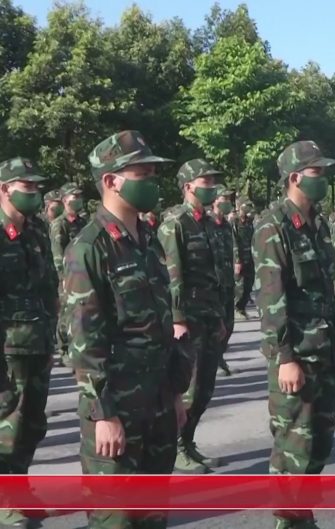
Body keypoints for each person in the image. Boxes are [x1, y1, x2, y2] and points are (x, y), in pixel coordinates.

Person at [63, 131, 191, 529]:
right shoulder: (89, 248)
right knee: (115, 518)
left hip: (157, 405)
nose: (152, 180)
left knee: (153, 516)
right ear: (110, 180)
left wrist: (173, 394)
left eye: (153, 172)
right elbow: (85, 341)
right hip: (117, 410)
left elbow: (160, 326)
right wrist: (104, 414)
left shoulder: (148, 240)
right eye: (142, 172)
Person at [253, 140, 335, 529]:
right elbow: (272, 299)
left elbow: (326, 291)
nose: (323, 179)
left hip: (323, 348)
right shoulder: (273, 226)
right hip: (297, 354)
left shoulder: (317, 224)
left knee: (319, 443)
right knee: (294, 445)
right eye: (316, 173)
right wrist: (284, 357)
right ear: (294, 178)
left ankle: (301, 517)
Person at [157, 159, 227, 474]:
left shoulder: (210, 223)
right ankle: (175, 448)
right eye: (205, 181)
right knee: (188, 388)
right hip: (189, 318)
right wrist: (177, 317)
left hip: (211, 313)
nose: (211, 187)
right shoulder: (175, 222)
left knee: (205, 388)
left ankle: (188, 441)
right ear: (188, 186)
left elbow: (216, 273)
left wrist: (222, 314)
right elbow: (172, 275)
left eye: (213, 182)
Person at [0, 158, 58, 529]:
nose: (34, 193)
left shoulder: (36, 231)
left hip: (38, 343)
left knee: (33, 424)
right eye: (26, 187)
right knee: (7, 426)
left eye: (37, 187)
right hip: (7, 349)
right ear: (4, 189)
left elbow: (50, 285)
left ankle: (18, 487)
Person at [49, 182, 87, 367]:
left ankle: (77, 346)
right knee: (66, 313)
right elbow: (58, 254)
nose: (79, 200)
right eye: (75, 197)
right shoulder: (59, 225)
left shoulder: (83, 223)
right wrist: (63, 278)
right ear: (65, 201)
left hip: (83, 275)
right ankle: (64, 349)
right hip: (67, 276)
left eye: (80, 197)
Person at [211, 187, 237, 377]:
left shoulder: (227, 226)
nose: (227, 201)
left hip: (228, 282)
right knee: (215, 327)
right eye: (223, 198)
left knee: (228, 325)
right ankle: (214, 361)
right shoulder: (207, 224)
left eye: (229, 198)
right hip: (214, 284)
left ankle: (219, 356)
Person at [233, 197, 255, 319]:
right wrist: (237, 259)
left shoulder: (249, 222)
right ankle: (236, 308)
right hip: (240, 258)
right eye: (245, 207)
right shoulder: (234, 222)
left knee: (249, 284)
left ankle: (242, 308)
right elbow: (234, 241)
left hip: (250, 257)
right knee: (239, 285)